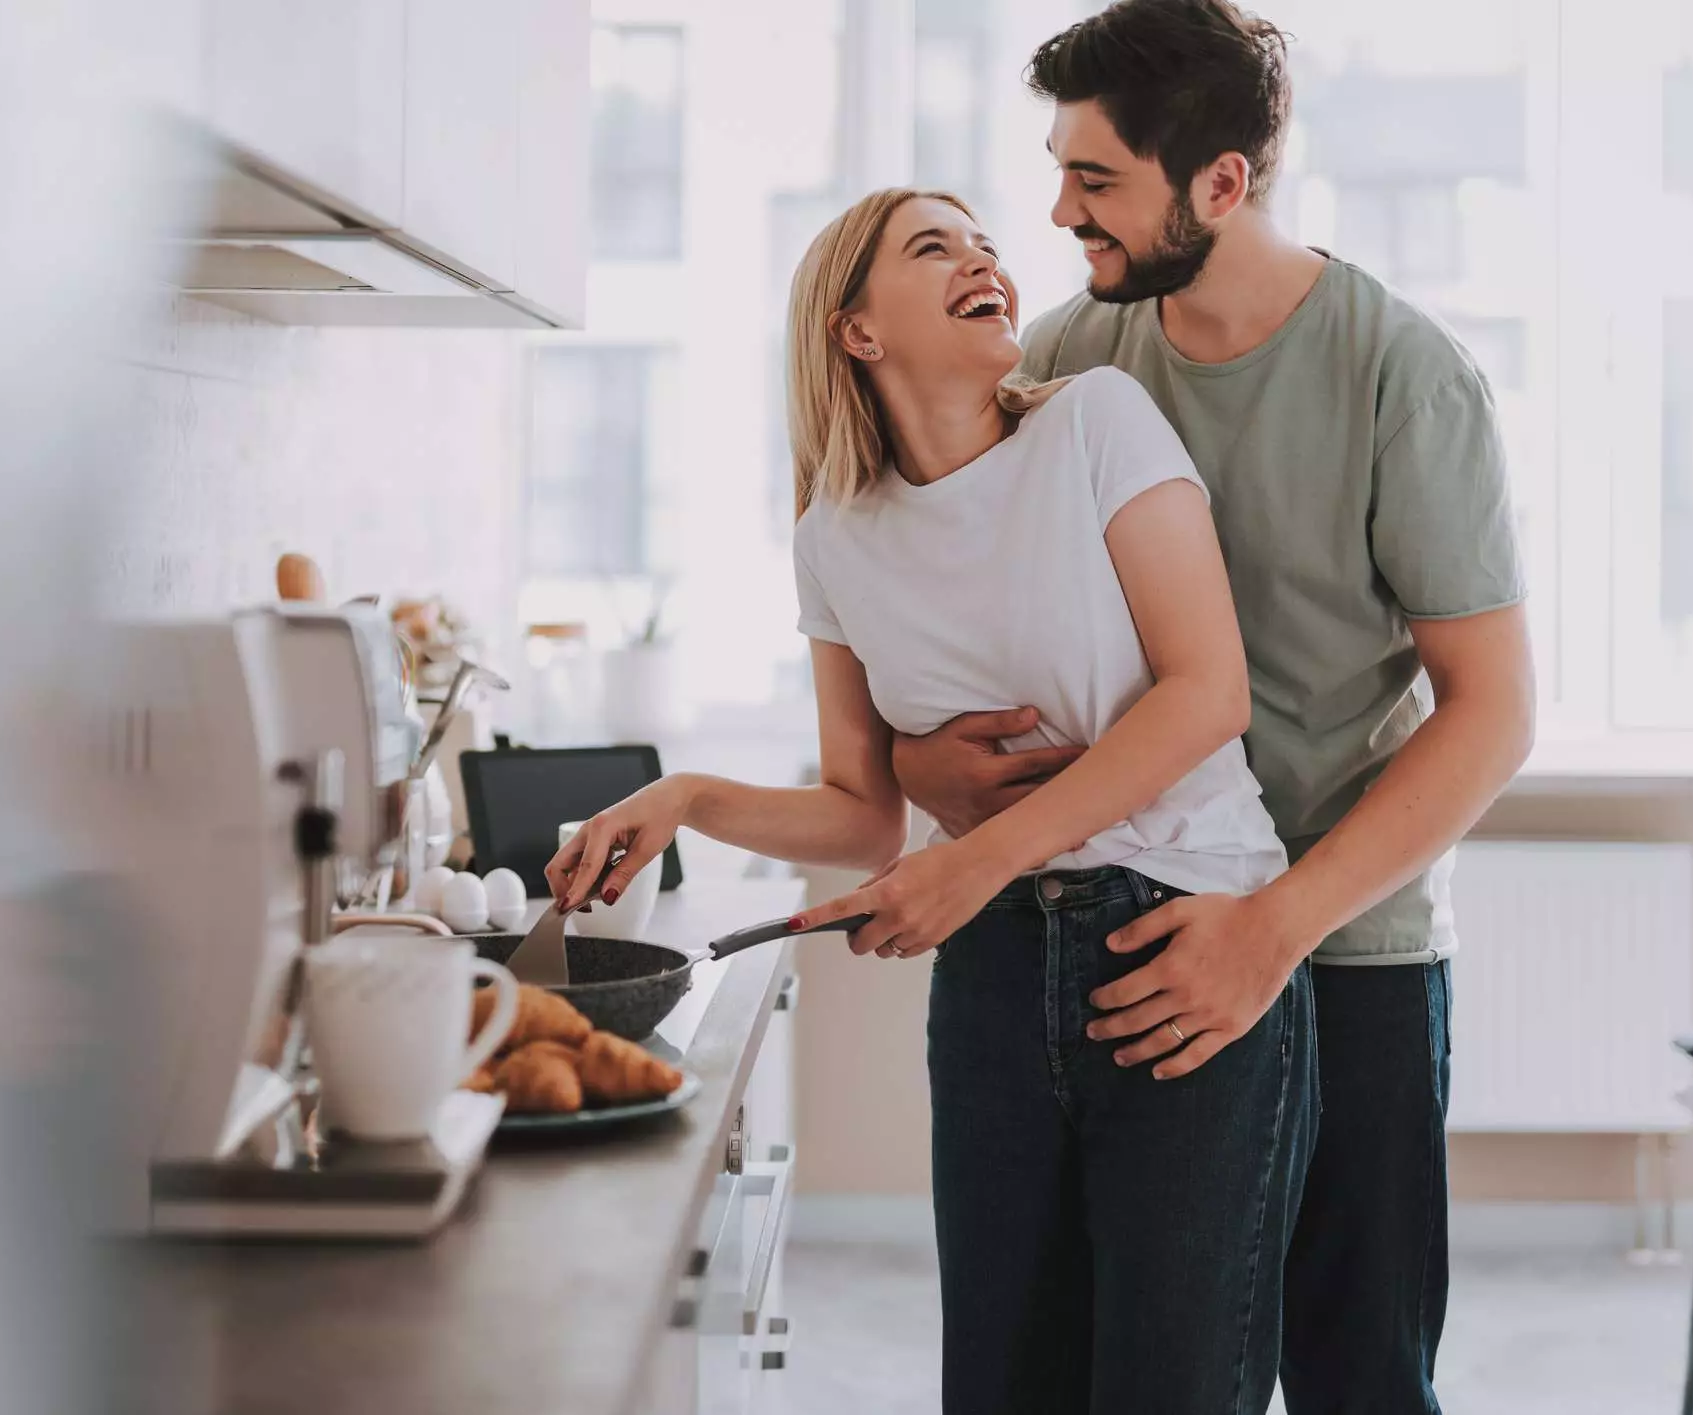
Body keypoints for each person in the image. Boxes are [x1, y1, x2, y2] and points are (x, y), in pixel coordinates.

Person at [547, 187, 1314, 1415]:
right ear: (855, 329)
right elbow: (860, 810)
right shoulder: (835, 536)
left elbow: (1206, 693)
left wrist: (971, 860)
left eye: (983, 244)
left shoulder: (1095, 425)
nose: (984, 259)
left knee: (1172, 1385)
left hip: (1183, 934)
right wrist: (685, 794)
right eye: (933, 246)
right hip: (996, 979)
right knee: (1003, 1381)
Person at [889, 3, 1538, 1411]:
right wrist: (908, 752)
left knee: (1358, 1374)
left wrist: (1273, 926)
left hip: (1343, 950)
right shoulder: (1063, 361)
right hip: (1128, 941)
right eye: (1057, 170)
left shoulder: (1399, 375)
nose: (1056, 211)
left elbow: (1488, 711)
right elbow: (944, 590)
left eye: (1096, 180)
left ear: (1221, 183)